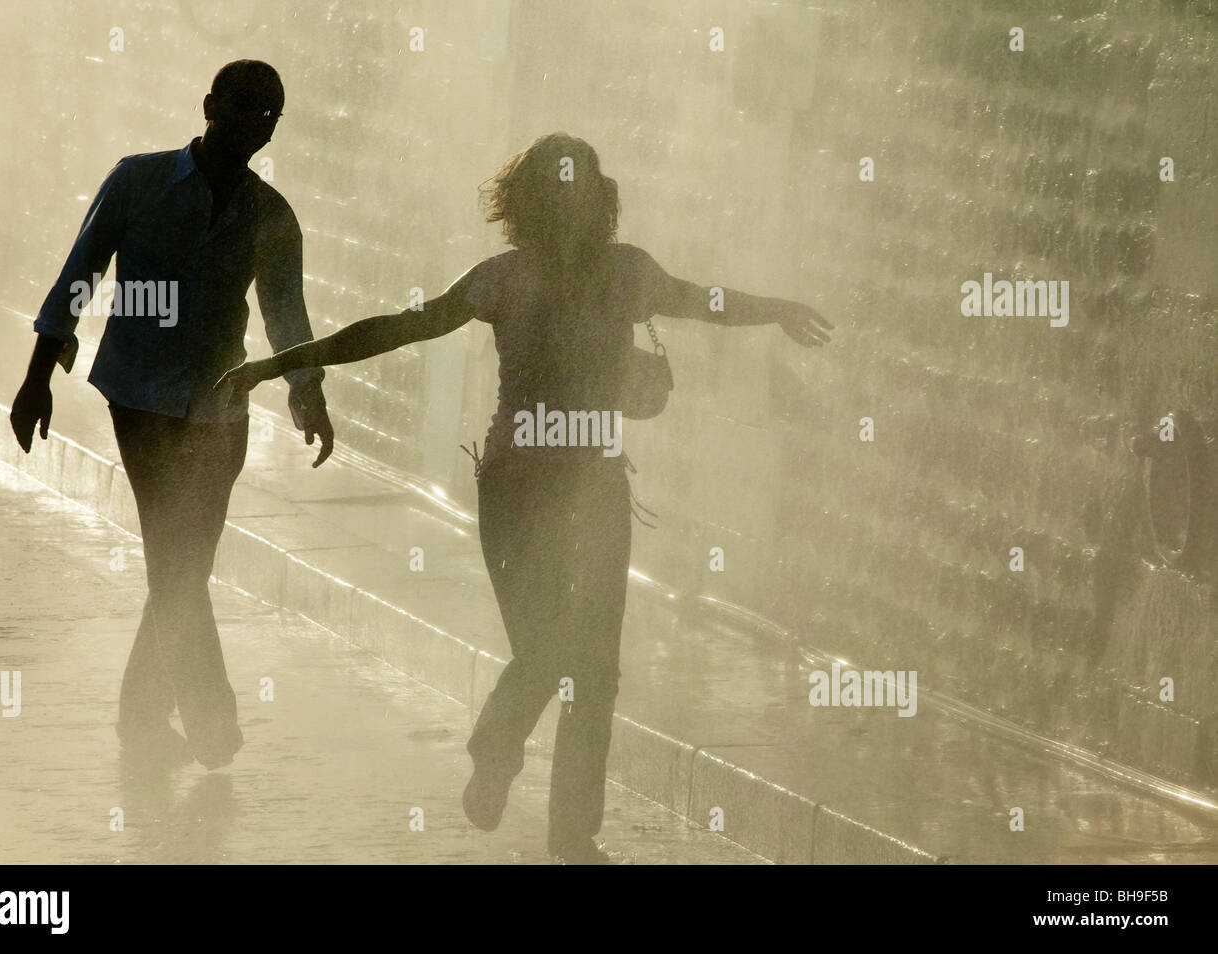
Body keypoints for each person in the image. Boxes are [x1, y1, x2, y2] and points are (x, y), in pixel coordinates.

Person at [214, 132, 831, 859]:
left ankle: (568, 832)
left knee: (581, 664)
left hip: (553, 487)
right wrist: (282, 365)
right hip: (547, 490)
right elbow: (390, 330)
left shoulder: (522, 278)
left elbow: (397, 329)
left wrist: (778, 307)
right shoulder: (581, 276)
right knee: (562, 658)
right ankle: (506, 756)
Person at [10, 60, 335, 770]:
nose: (257, 124)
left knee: (184, 568)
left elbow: (288, 319)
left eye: (270, 115)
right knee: (175, 562)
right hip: (141, 400)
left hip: (222, 410)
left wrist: (307, 392)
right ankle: (212, 717)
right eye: (246, 108)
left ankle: (140, 717)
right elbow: (79, 279)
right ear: (210, 104)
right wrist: (38, 379)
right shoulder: (138, 180)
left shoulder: (272, 216)